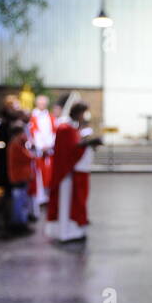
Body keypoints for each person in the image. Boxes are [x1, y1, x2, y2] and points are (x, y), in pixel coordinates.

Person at [47, 103, 102, 243]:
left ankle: (74, 231)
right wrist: (87, 144)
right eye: (84, 113)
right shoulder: (66, 128)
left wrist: (87, 144)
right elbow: (69, 151)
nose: (84, 117)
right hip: (66, 173)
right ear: (78, 113)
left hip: (72, 171)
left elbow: (74, 147)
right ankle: (67, 233)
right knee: (67, 203)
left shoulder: (72, 128)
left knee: (74, 202)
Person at [28, 94, 55, 212]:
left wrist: (49, 145)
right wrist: (40, 146)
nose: (43, 105)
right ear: (37, 103)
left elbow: (54, 130)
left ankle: (48, 197)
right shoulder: (32, 116)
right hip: (38, 150)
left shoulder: (51, 116)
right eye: (41, 103)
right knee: (38, 175)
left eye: (44, 103)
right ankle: (40, 198)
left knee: (49, 174)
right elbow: (33, 131)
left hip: (49, 149)